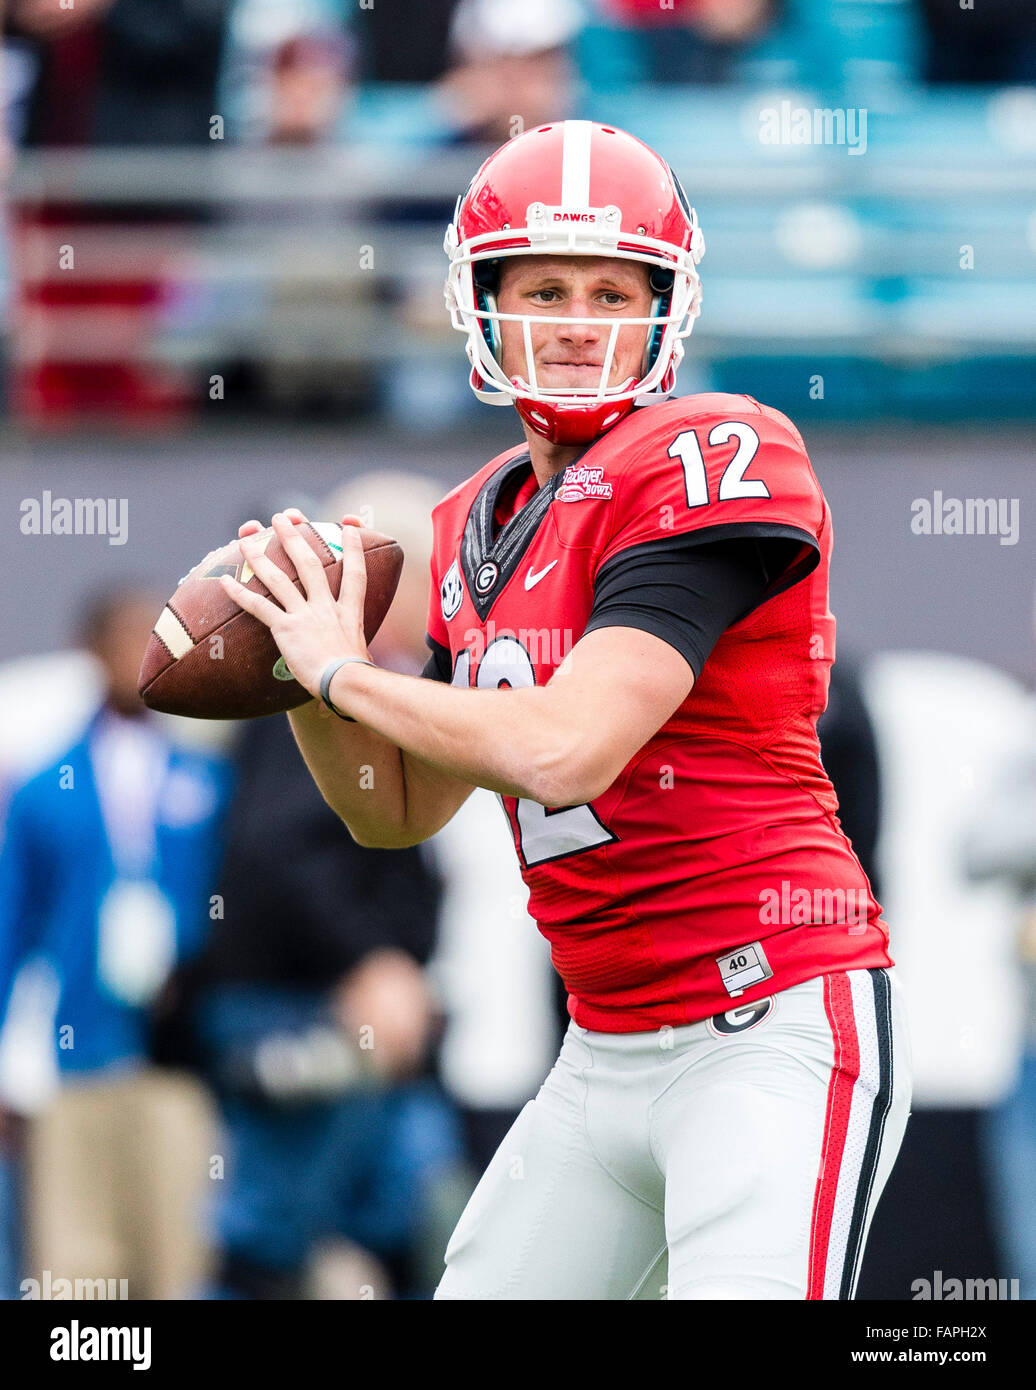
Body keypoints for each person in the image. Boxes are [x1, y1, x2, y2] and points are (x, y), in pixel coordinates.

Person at [220, 121, 912, 1300]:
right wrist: (295, 668)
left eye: (611, 289)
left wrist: (345, 672)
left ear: (663, 309)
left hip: (769, 1020)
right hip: (602, 1046)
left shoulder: (718, 451)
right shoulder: (467, 519)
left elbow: (567, 749)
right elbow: (395, 811)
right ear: (482, 305)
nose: (581, 320)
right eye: (544, 287)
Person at [0, 586, 230, 1298]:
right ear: (90, 653)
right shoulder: (45, 787)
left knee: (179, 1253)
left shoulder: (206, 777)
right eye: (123, 641)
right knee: (79, 1269)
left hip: (178, 1059)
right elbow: (13, 930)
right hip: (78, 1055)